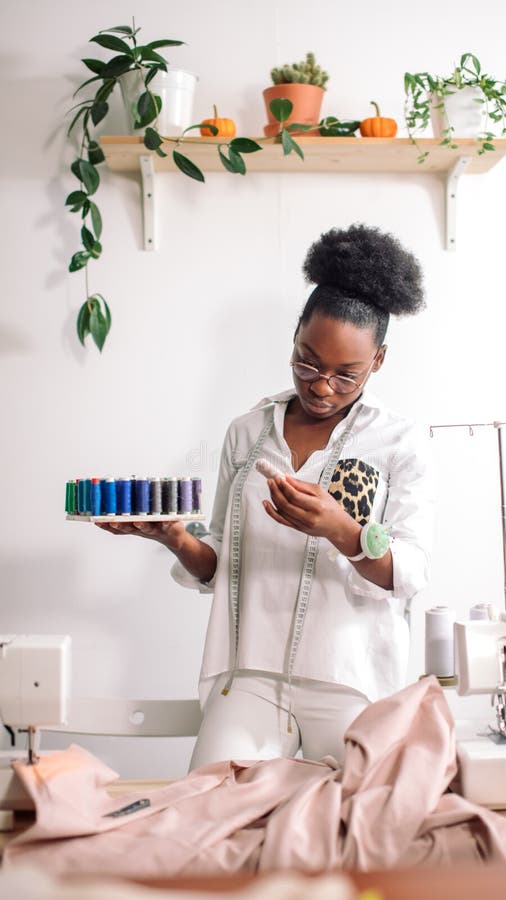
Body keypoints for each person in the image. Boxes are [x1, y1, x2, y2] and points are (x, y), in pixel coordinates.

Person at [98, 223, 432, 769]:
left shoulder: (400, 442)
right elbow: (223, 565)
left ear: (379, 361)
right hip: (249, 674)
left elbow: (411, 571)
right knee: (209, 808)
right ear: (295, 337)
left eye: (345, 375)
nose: (321, 385)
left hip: (350, 679)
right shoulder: (247, 433)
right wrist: (177, 539)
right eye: (307, 361)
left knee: (356, 832)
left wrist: (342, 531)